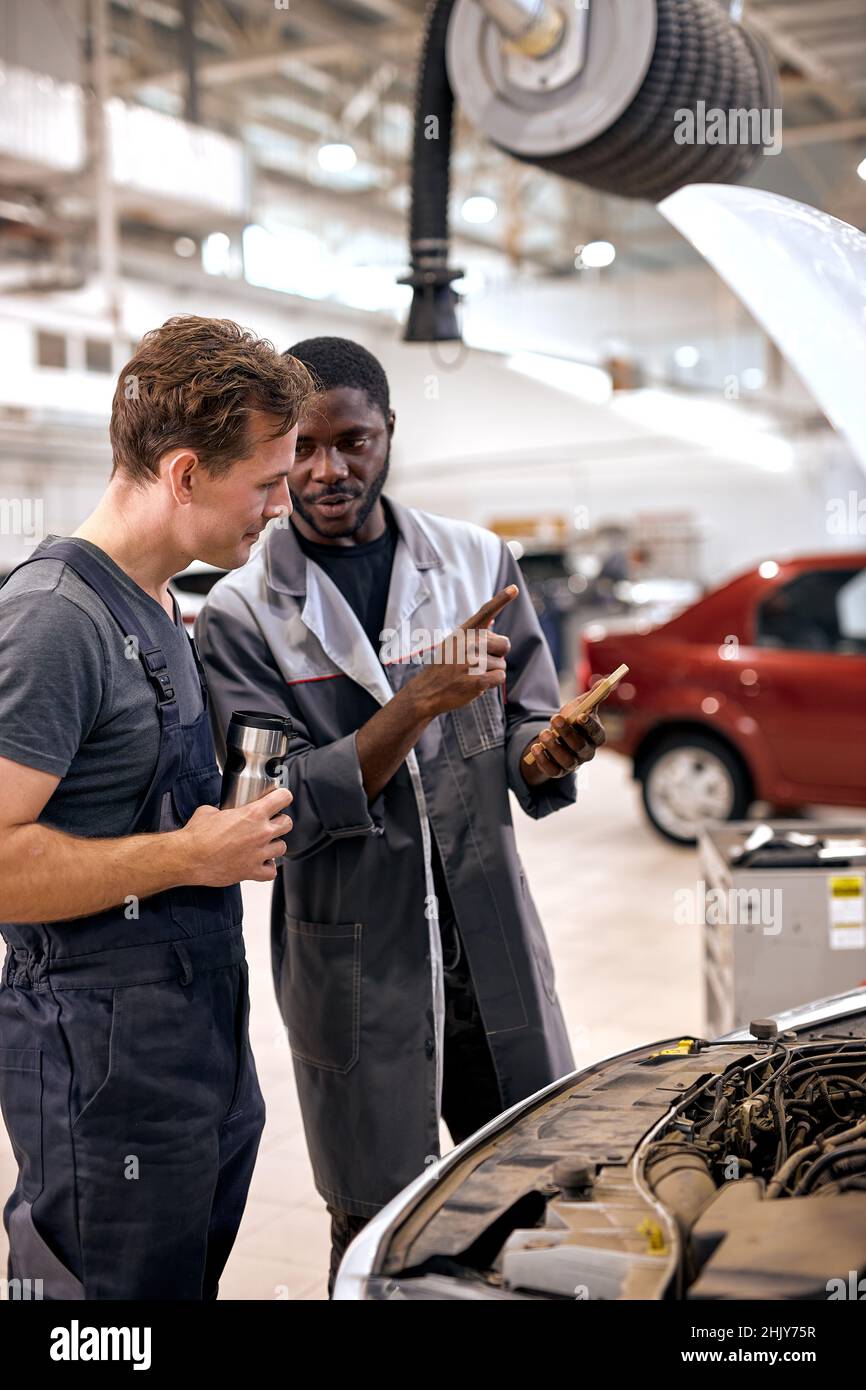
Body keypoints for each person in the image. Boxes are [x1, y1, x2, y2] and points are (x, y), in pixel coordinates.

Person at [195, 337, 605, 1296]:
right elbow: (272, 806)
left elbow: (529, 717)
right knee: (378, 1215)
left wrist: (547, 748)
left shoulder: (474, 562)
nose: (328, 471)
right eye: (302, 448)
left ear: (389, 435)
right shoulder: (245, 611)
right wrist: (417, 701)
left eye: (355, 442)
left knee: (542, 1187)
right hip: (357, 963)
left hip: (487, 937)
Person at [0, 316, 308, 1299]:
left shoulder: (161, 604)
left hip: (189, 1039)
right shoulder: (56, 619)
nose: (277, 506)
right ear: (183, 473)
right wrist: (186, 856)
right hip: (98, 1060)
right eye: (264, 484)